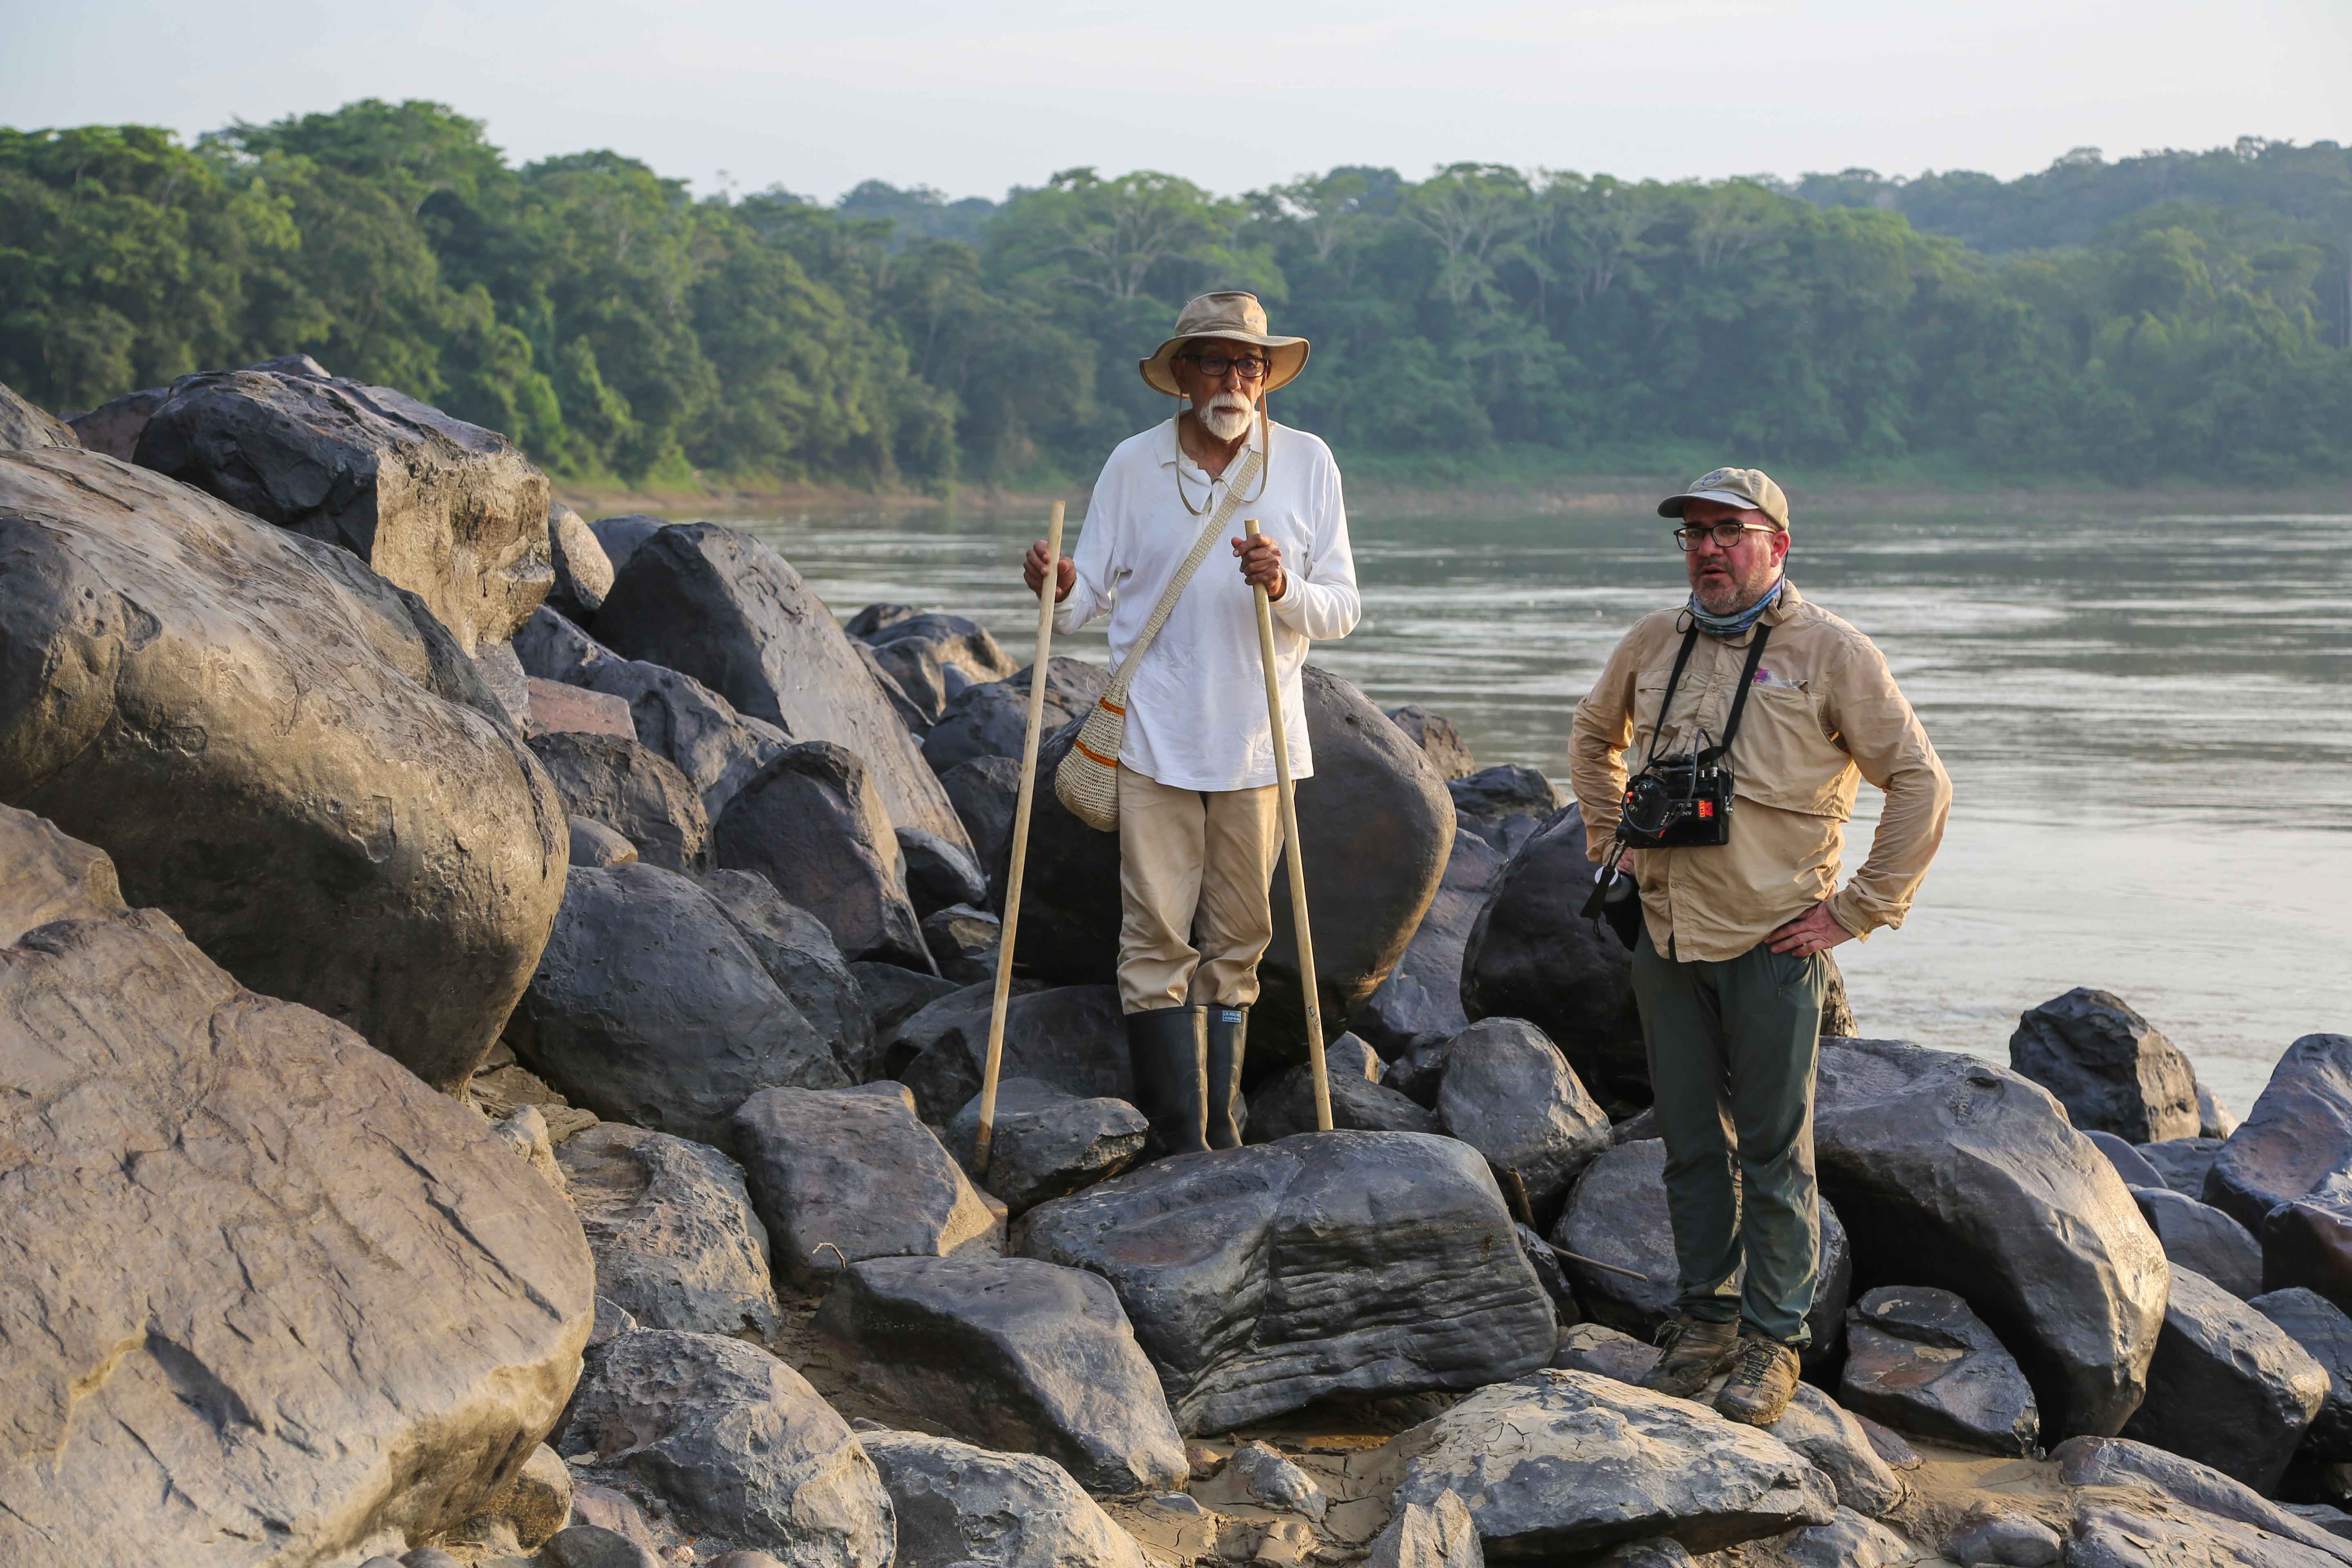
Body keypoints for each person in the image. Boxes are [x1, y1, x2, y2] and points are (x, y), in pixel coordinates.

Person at [1567, 467, 1951, 1425]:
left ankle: (1773, 1344)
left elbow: (1921, 785)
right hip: (1667, 933)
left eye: (1729, 532)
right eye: (1693, 534)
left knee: (1776, 1155)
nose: (1707, 549)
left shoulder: (1833, 653)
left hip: (1775, 941)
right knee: (1691, 1147)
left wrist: (1856, 912)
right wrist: (1607, 846)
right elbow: (1591, 731)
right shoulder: (1655, 640)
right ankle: (1703, 1325)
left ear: (1778, 545)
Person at [1023, 292, 1359, 1156]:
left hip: (1258, 741)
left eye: (1249, 364)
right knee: (1154, 936)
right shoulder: (1134, 465)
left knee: (1242, 939)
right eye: (1215, 361)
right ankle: (1180, 1141)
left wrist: (1284, 588)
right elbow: (1090, 596)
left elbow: (1343, 609)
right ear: (1181, 375)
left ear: (1267, 378)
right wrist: (1057, 585)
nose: (1234, 379)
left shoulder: (1308, 463)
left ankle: (1224, 1132)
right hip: (1152, 735)